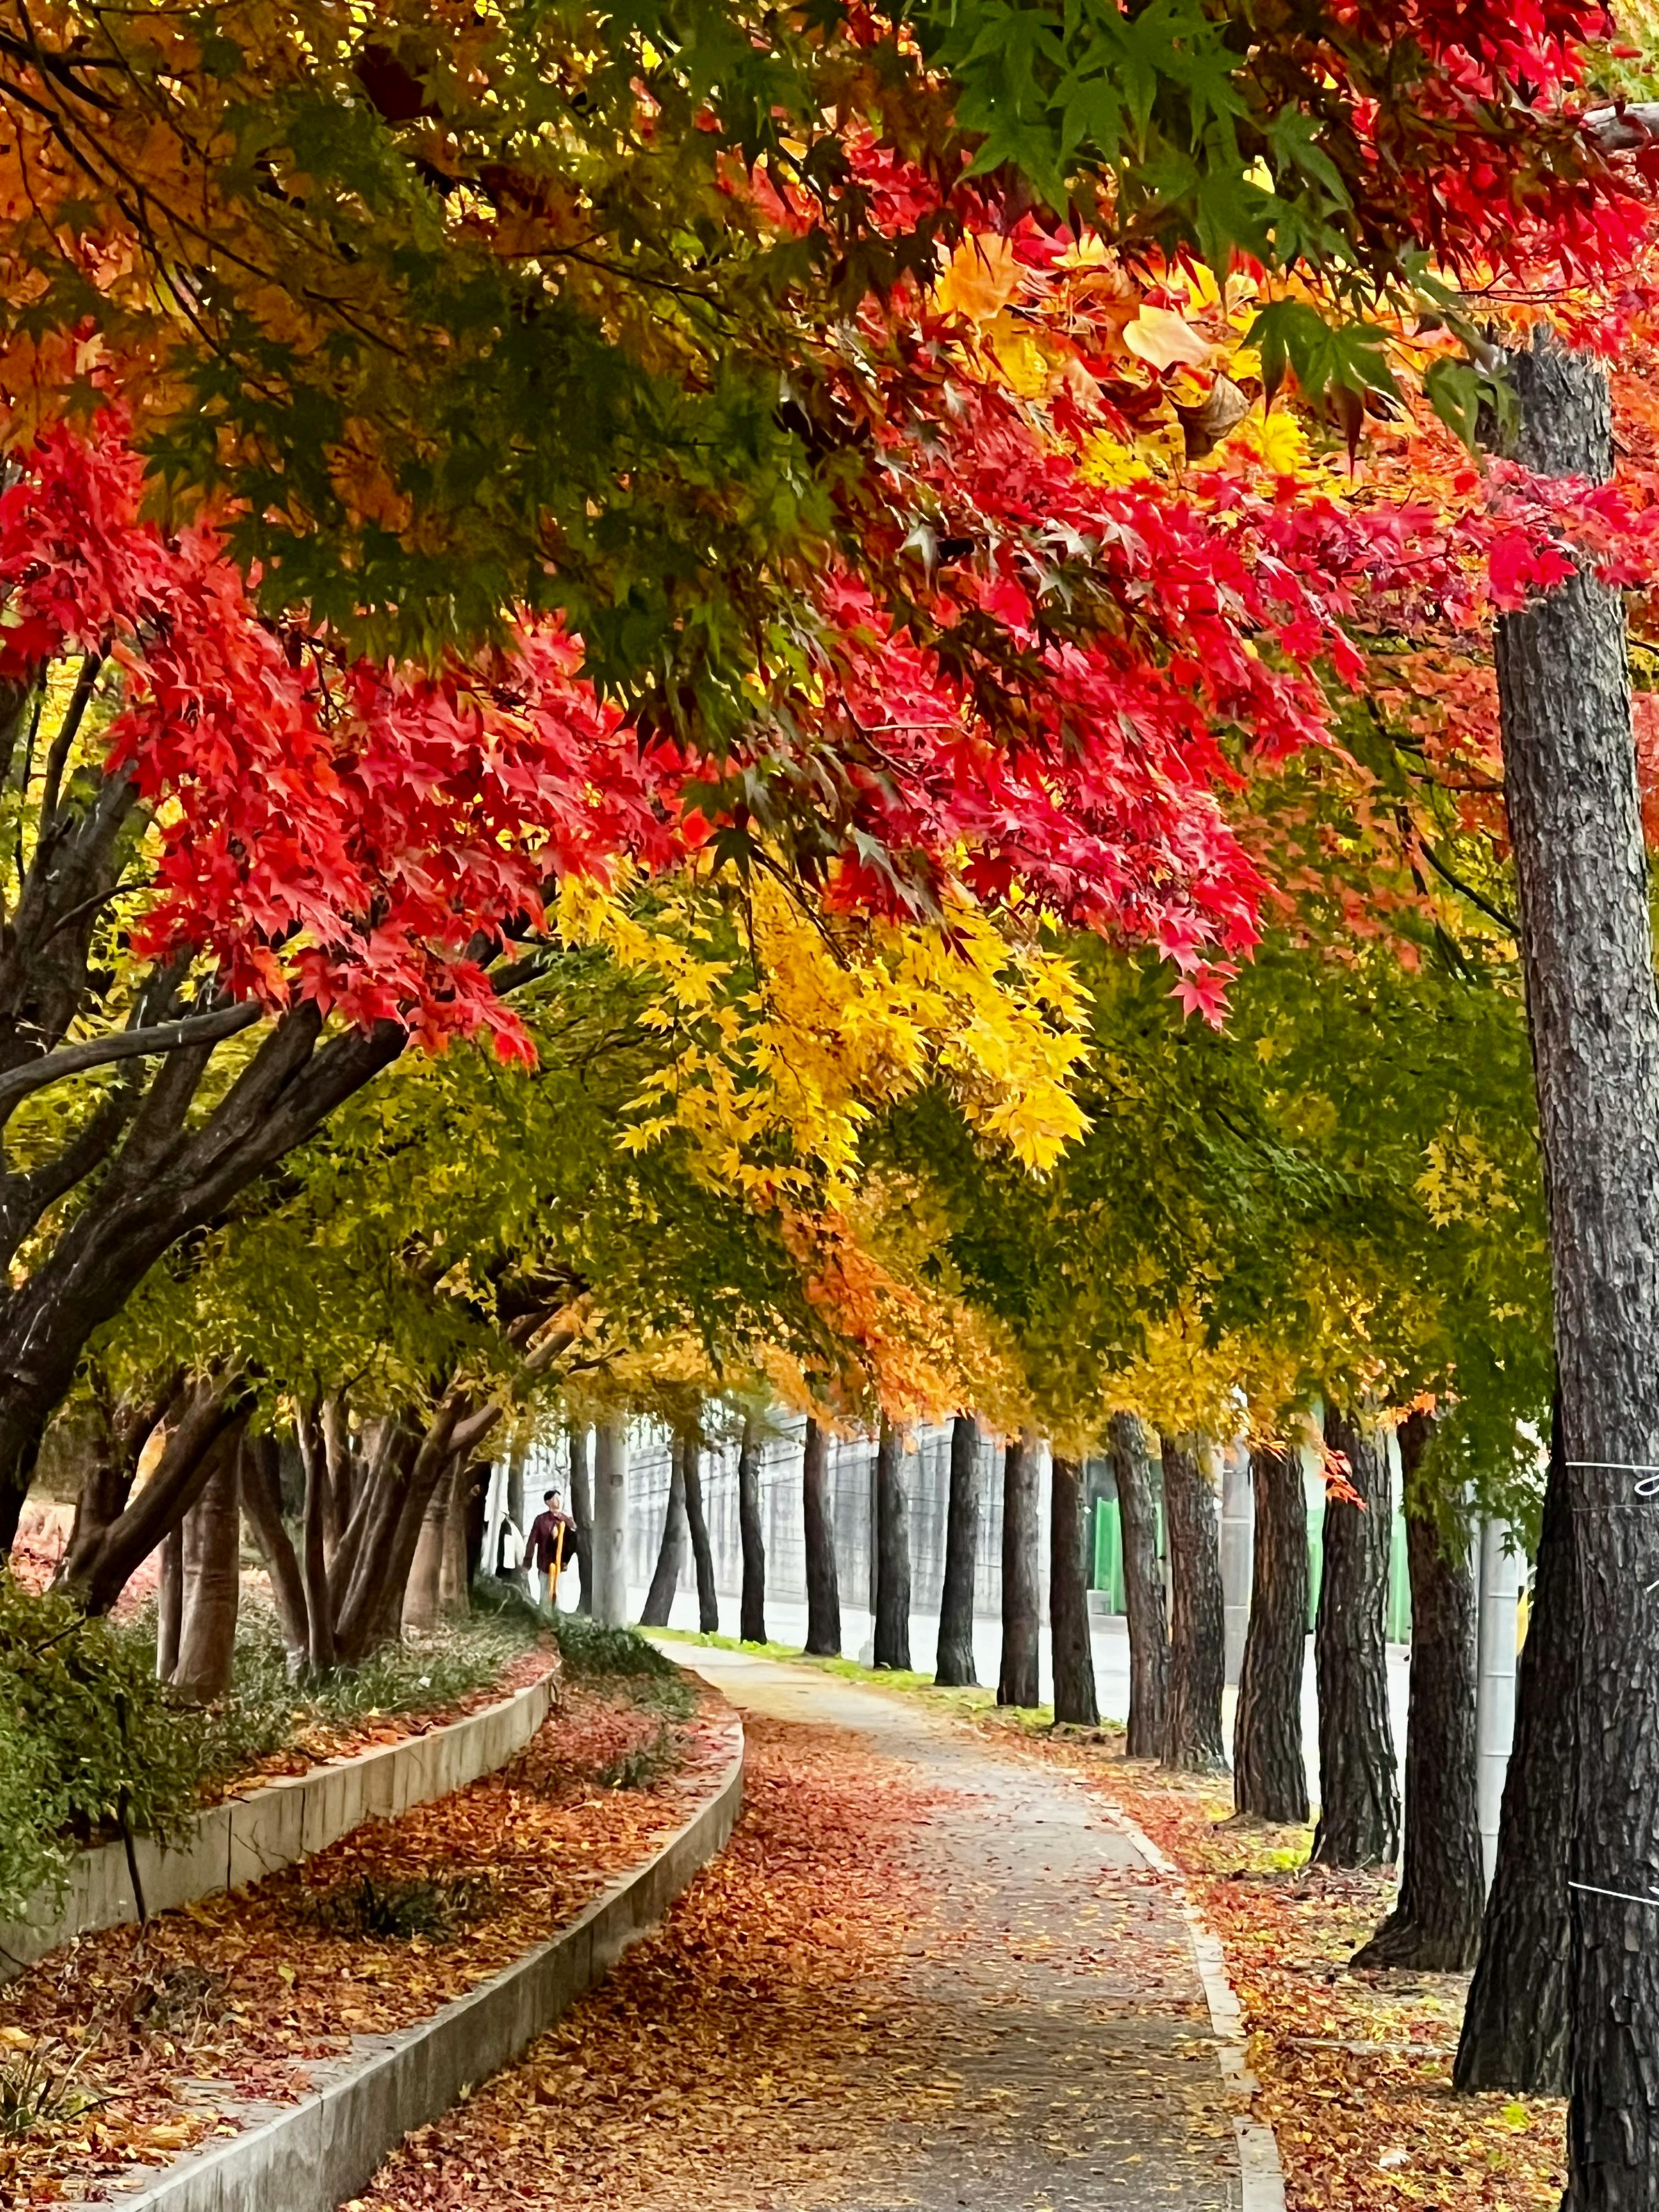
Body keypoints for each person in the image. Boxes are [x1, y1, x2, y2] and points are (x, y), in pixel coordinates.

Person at [523, 1488, 576, 1607]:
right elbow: (532, 1541)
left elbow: (575, 1536)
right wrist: (528, 1561)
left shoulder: (567, 1519)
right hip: (545, 1564)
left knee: (560, 1595)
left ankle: (558, 1617)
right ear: (548, 1502)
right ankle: (544, 1617)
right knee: (545, 1594)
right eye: (555, 1498)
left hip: (562, 1565)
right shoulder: (541, 1520)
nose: (559, 1501)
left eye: (560, 1498)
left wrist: (568, 1521)